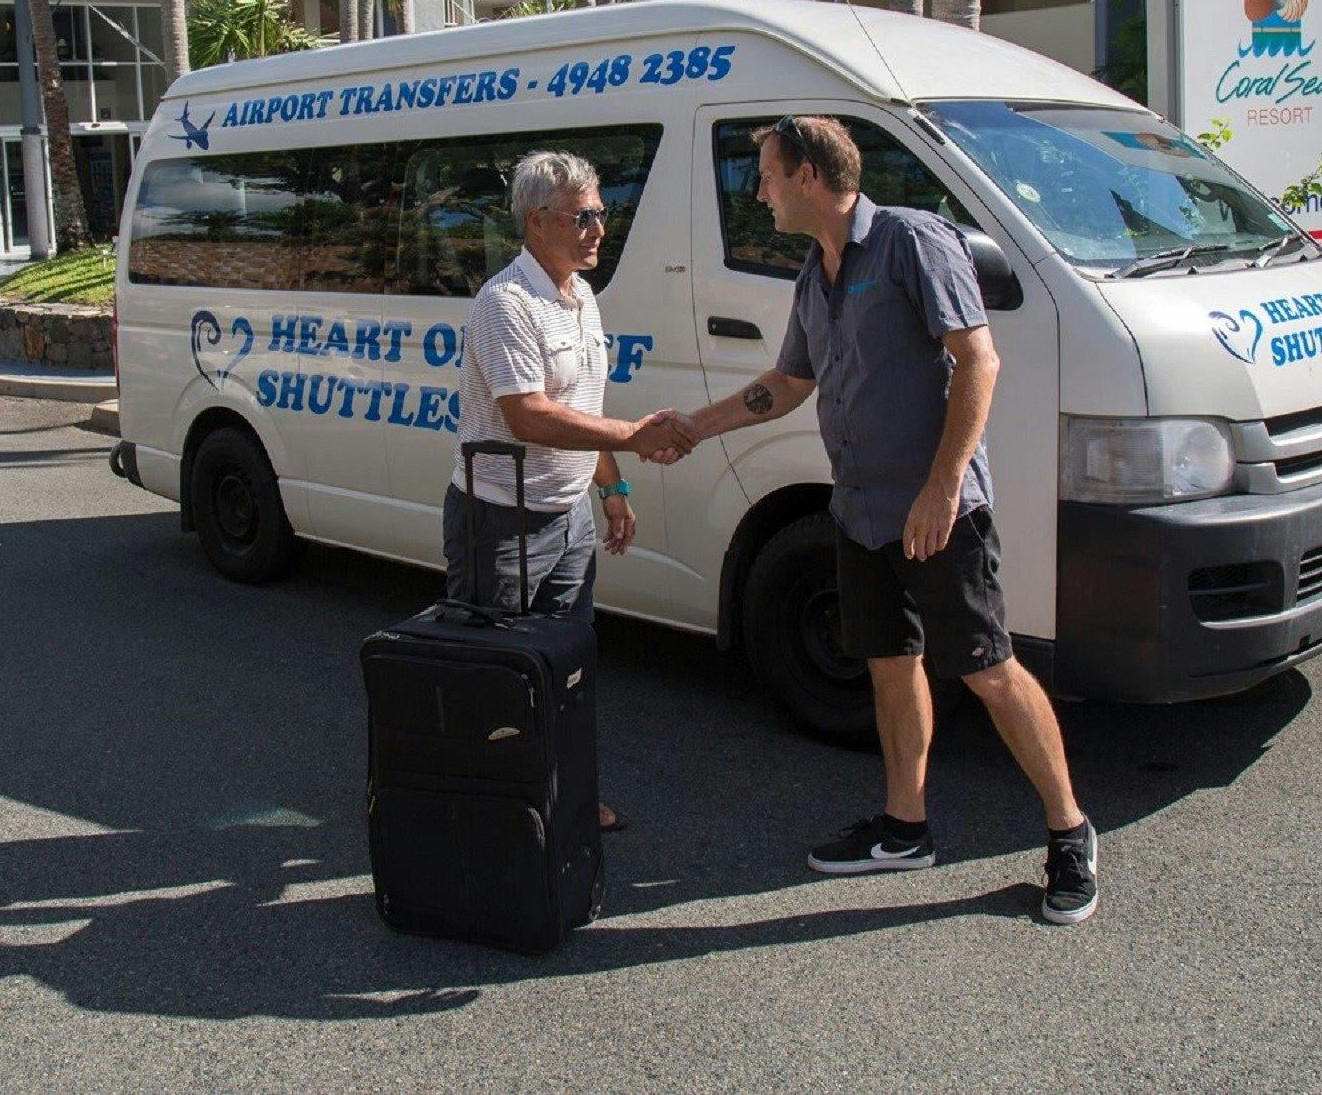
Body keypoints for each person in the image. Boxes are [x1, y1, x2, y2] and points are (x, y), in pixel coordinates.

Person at [672, 116, 1098, 924]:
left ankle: (1069, 830)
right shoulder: (815, 272)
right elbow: (790, 383)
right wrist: (697, 426)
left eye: (765, 175)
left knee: (987, 666)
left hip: (936, 509)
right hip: (860, 507)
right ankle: (906, 827)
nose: (757, 193)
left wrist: (941, 490)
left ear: (806, 175)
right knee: (889, 662)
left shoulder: (911, 241)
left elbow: (979, 359)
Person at [443, 149, 694, 834]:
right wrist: (635, 435)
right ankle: (488, 808)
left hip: (567, 517)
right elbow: (529, 415)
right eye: (583, 216)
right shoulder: (506, 302)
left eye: (601, 215)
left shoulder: (580, 296)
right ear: (537, 221)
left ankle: (563, 798)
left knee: (566, 667)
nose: (598, 230)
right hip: (499, 519)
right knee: (496, 670)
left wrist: (613, 487)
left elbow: (582, 403)